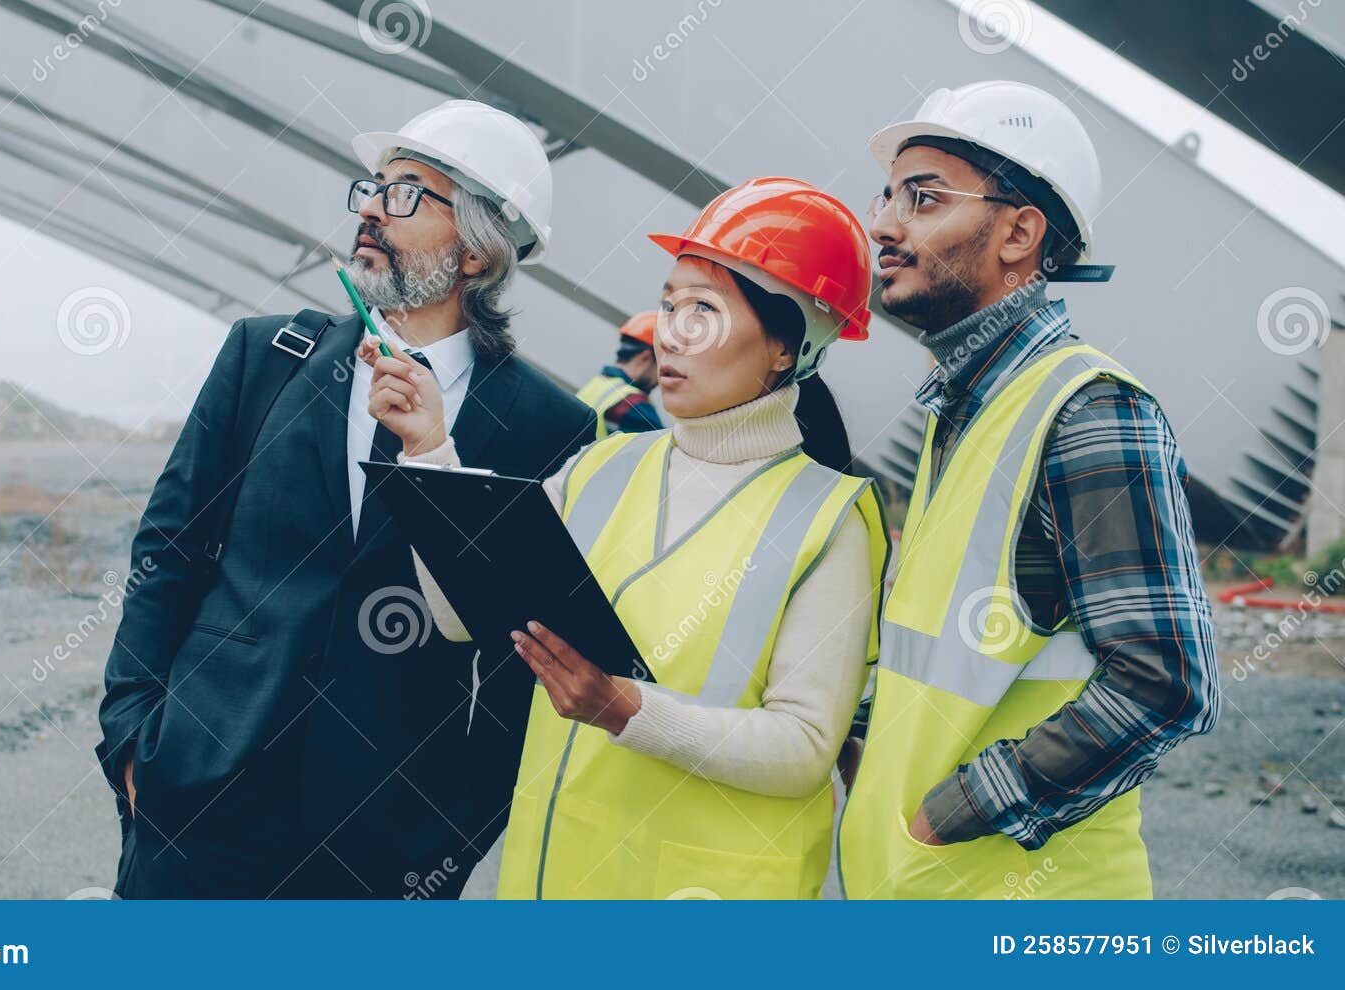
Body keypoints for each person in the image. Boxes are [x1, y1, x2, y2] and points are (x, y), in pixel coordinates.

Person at [95, 99, 597, 899]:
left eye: (405, 195)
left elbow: (523, 658)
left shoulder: (549, 425)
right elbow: (168, 554)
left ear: (476, 251)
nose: (370, 210)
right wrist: (131, 738)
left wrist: (453, 839)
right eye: (371, 188)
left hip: (386, 839)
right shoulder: (266, 357)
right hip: (196, 792)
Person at [367, 177, 890, 899]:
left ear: (784, 348)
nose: (671, 331)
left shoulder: (829, 520)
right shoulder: (602, 468)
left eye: (704, 311)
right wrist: (429, 449)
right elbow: (466, 615)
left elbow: (804, 748)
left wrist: (625, 711)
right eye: (671, 304)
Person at [838, 81, 1218, 899]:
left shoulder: (1090, 410)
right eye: (888, 195)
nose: (882, 224)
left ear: (1019, 232)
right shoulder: (964, 411)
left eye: (924, 197)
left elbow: (1165, 682)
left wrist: (959, 807)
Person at [576, 311, 664, 437]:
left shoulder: (599, 383)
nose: (661, 381)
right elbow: (663, 453)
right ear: (645, 357)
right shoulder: (633, 405)